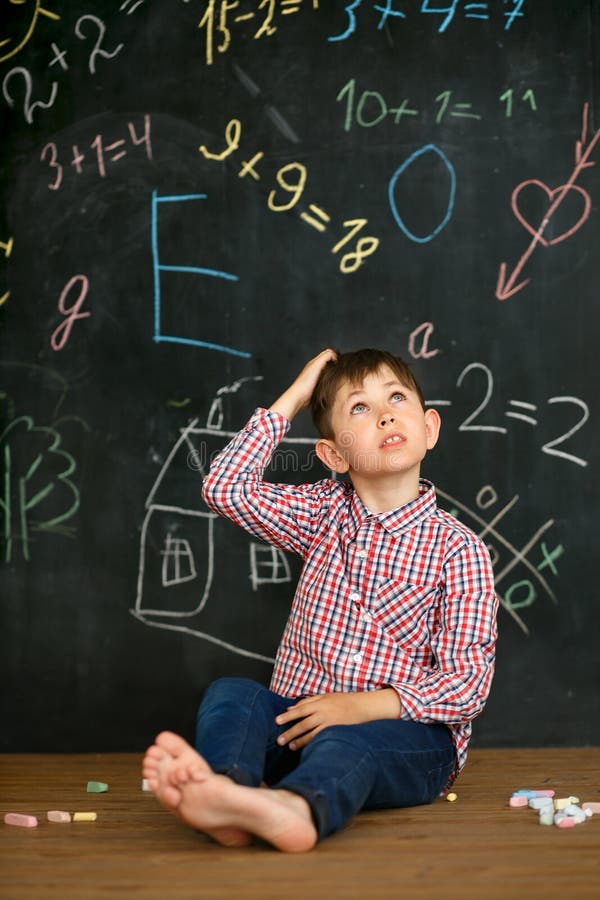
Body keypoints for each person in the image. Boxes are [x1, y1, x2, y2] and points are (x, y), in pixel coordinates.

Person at [143, 348, 498, 852]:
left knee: (346, 741)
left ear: (430, 427)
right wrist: (296, 397)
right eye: (360, 408)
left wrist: (359, 707)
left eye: (397, 398)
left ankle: (299, 810)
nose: (385, 413)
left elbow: (467, 685)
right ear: (334, 455)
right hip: (298, 724)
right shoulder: (320, 513)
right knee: (232, 695)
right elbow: (225, 488)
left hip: (404, 741)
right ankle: (227, 793)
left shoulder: (458, 549)